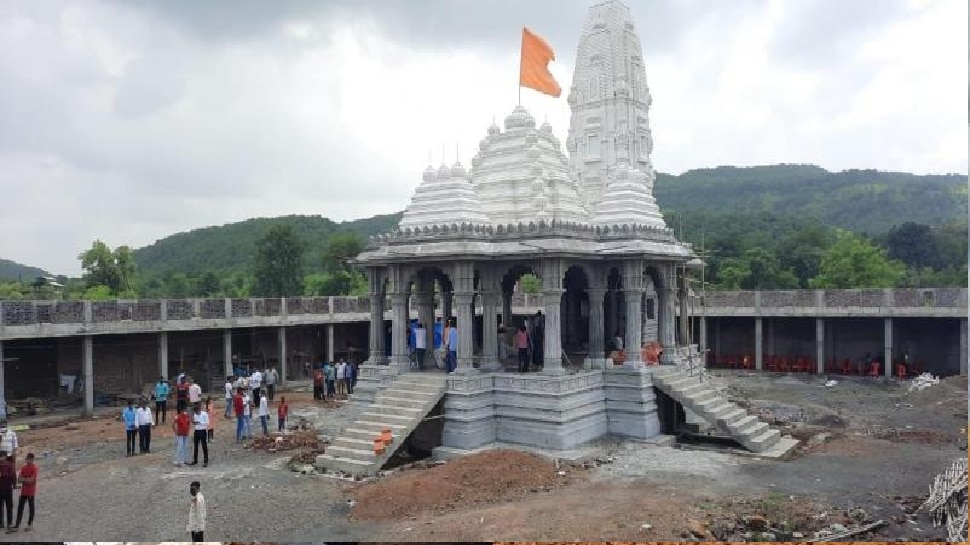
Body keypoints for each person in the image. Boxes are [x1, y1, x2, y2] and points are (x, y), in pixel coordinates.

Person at [10, 452, 36, 533]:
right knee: (20, 508)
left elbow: (31, 480)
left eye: (30, 459)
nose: (28, 461)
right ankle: (17, 525)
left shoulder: (34, 468)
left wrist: (24, 479)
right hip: (24, 491)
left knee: (31, 508)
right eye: (27, 459)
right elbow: (19, 479)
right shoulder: (24, 468)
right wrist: (26, 479)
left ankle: (29, 524)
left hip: (31, 491)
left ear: (32, 460)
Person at [191, 403, 209, 467]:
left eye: (197, 412)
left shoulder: (204, 414)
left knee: (204, 446)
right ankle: (195, 460)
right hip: (196, 431)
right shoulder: (194, 414)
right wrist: (194, 422)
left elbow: (207, 423)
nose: (196, 413)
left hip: (203, 431)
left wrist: (200, 423)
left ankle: (206, 460)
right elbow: (194, 422)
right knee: (196, 446)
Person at [0, 452, 13, 532]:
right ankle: (1, 523)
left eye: (2, 456)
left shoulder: (9, 464)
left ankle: (9, 523)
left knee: (9, 506)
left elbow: (11, 475)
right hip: (0, 488)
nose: (2, 458)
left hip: (8, 488)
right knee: (0, 507)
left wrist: (2, 474)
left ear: (5, 457)